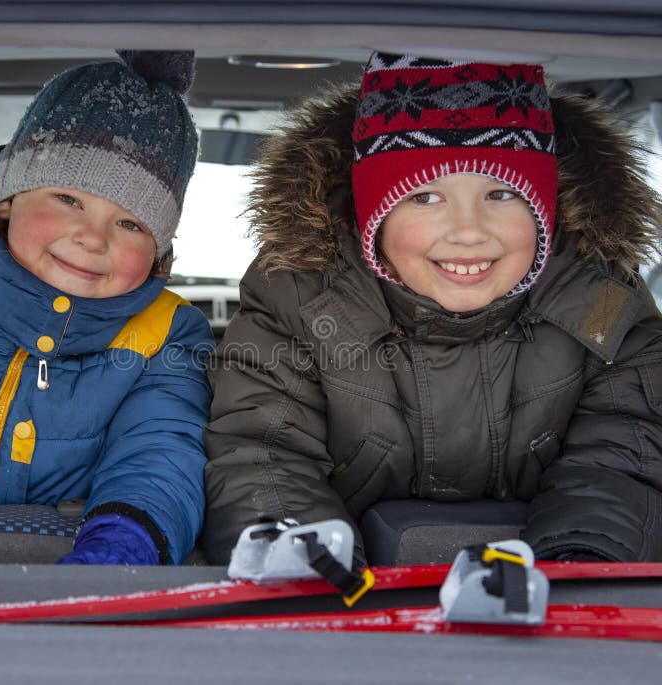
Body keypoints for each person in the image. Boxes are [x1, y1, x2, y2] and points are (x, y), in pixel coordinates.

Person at [202, 52, 662, 565]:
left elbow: (624, 453)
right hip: (346, 601)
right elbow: (264, 453)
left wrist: (581, 568)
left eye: (502, 192)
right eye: (424, 197)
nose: (468, 231)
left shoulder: (601, 299)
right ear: (373, 211)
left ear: (546, 205)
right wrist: (308, 568)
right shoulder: (298, 298)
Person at [0, 50, 213, 565]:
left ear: (158, 249)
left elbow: (159, 453)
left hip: (63, 583)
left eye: (131, 223)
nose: (92, 238)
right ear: (7, 198)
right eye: (69, 200)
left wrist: (122, 549)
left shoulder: (167, 333)